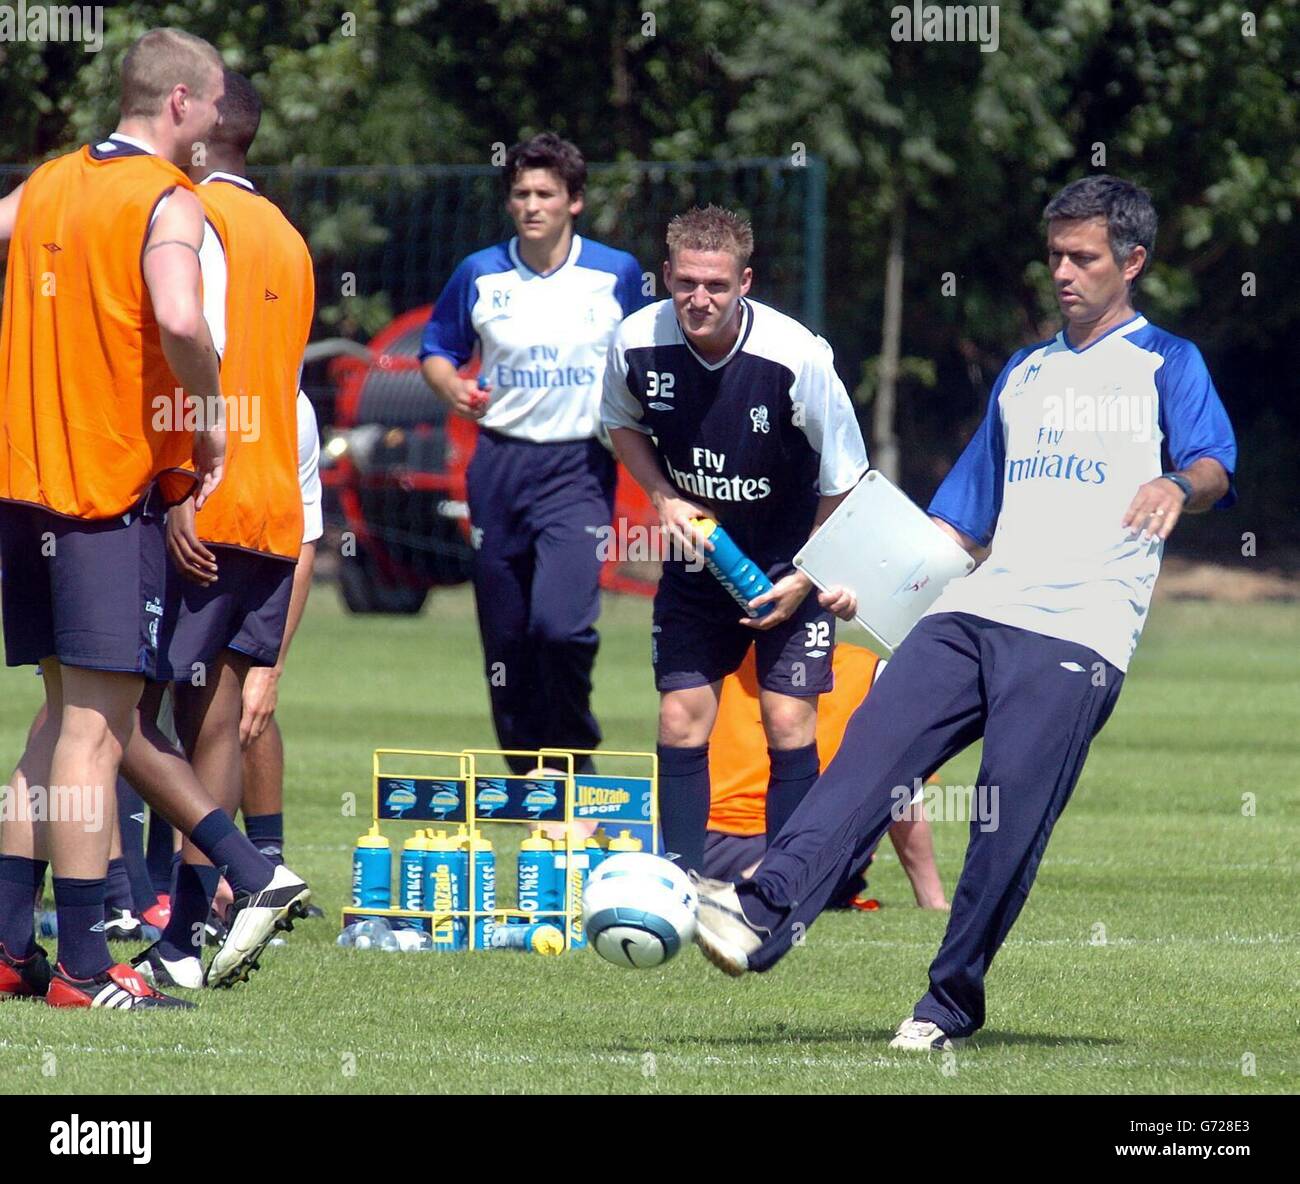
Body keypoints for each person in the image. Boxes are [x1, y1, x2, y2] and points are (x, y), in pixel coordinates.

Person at [689, 176, 1238, 1052]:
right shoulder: (1024, 373)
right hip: (973, 612)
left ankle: (948, 1004)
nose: (1063, 271)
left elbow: (1214, 462)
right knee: (867, 756)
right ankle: (759, 915)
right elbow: (953, 524)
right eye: (1055, 254)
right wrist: (822, 572)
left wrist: (1178, 483)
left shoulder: (1167, 364)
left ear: (1131, 263)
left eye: (1084, 257)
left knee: (1002, 821)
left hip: (1078, 631)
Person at [0, 28, 227, 1009]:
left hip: (22, 490)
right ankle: (87, 970)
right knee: (95, 731)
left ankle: (12, 948)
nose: (218, 124)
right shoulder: (166, 201)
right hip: (99, 499)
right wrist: (210, 419)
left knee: (52, 728)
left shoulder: (47, 181)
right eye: (214, 105)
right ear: (178, 103)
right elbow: (179, 318)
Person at [123, 69, 316, 990]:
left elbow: (195, 343)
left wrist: (180, 488)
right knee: (214, 719)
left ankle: (243, 881)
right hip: (277, 505)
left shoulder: (192, 217)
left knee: (122, 712)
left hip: (213, 492)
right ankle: (189, 943)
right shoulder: (289, 235)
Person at [602, 205, 867, 877]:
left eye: (716, 285)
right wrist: (663, 497)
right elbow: (620, 423)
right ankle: (680, 884)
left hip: (790, 559)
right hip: (697, 566)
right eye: (686, 282)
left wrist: (805, 576)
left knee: (787, 723)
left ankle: (785, 891)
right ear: (666, 275)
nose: (699, 298)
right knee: (680, 719)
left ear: (744, 281)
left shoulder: (796, 356)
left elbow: (846, 477)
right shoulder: (634, 340)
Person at [418, 133, 647, 775]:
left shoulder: (616, 273)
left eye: (546, 193)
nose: (531, 204)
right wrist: (452, 387)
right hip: (498, 466)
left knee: (561, 626)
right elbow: (436, 348)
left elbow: (648, 354)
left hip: (578, 467)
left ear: (574, 201)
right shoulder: (480, 273)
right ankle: (528, 779)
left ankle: (575, 755)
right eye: (520, 193)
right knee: (507, 636)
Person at [704, 644, 948, 911]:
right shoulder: (869, 673)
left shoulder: (715, 659)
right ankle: (761, 883)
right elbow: (901, 795)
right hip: (813, 848)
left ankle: (739, 885)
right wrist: (932, 899)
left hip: (708, 849)